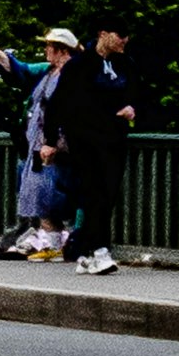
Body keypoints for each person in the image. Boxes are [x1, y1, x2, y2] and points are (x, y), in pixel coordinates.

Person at [46, 26, 136, 272]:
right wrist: (50, 141)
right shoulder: (79, 66)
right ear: (103, 33)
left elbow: (136, 93)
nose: (124, 39)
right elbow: (58, 103)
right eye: (120, 34)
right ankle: (100, 250)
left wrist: (132, 107)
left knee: (108, 195)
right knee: (94, 192)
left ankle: (83, 250)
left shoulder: (124, 64)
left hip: (114, 139)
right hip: (85, 140)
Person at [0, 24, 72, 256]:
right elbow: (23, 71)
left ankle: (59, 241)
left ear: (61, 50)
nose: (46, 50)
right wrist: (3, 58)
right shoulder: (47, 71)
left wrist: (55, 142)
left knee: (55, 191)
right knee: (39, 190)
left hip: (57, 144)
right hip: (38, 144)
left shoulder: (72, 74)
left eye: (50, 46)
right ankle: (51, 240)